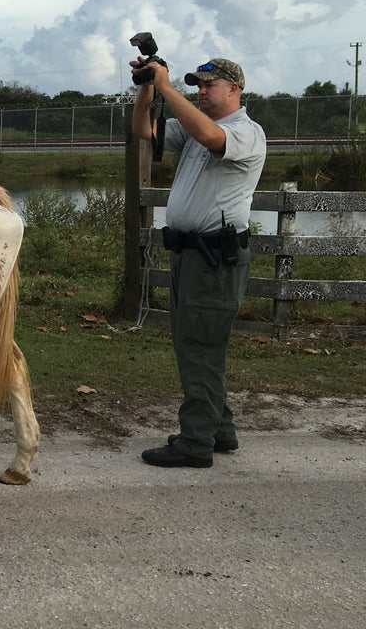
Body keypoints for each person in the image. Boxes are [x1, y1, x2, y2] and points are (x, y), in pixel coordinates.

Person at [131, 56, 266, 468]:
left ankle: (194, 444)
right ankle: (218, 431)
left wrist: (169, 89)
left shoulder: (246, 132)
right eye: (198, 85)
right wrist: (147, 89)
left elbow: (211, 138)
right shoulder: (192, 128)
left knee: (200, 348)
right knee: (198, 345)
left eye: (210, 85)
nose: (202, 91)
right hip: (189, 254)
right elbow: (143, 131)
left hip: (214, 258)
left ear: (234, 90)